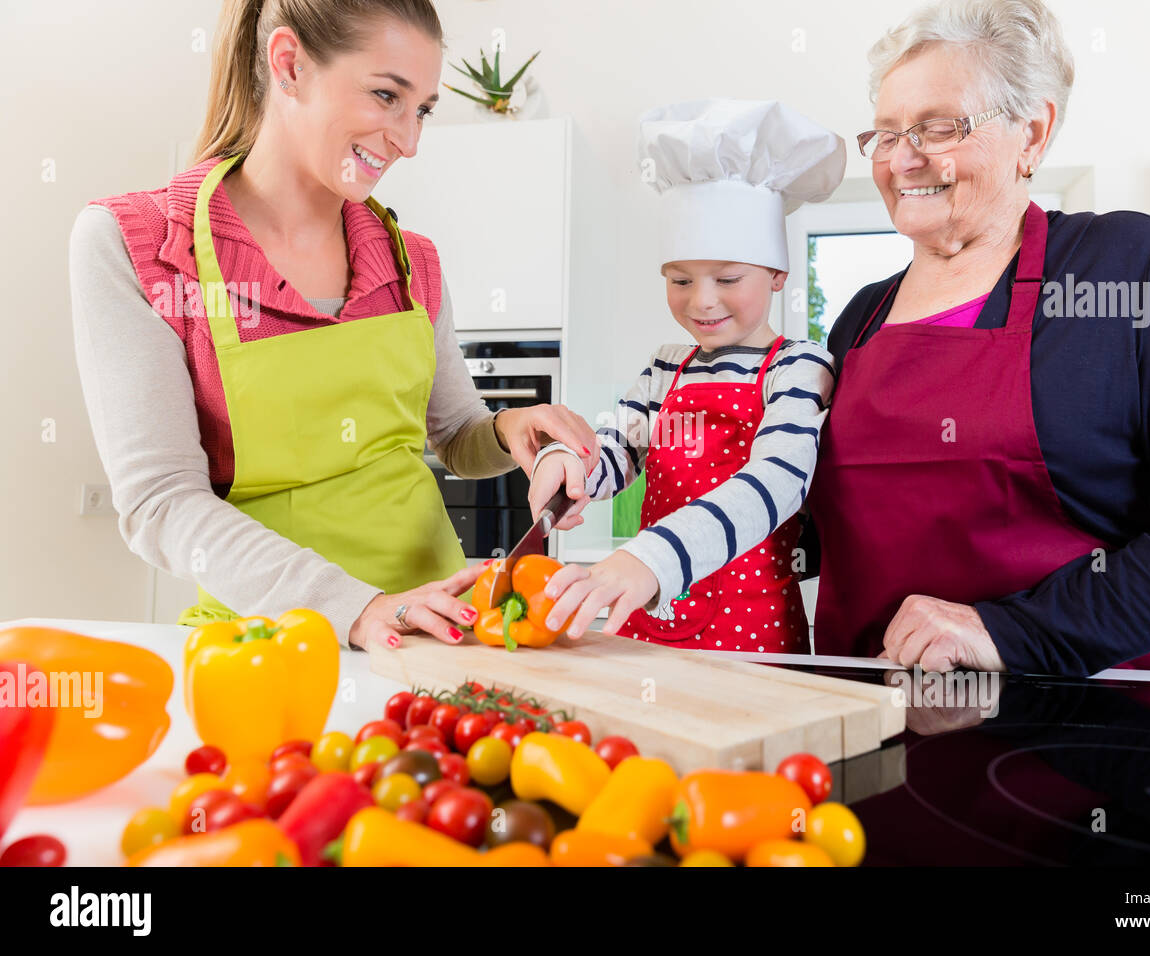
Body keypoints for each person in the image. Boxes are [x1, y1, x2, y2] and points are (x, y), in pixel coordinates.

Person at [68, 0, 596, 652]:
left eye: (423, 108)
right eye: (386, 96)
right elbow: (161, 501)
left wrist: (517, 430)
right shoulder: (139, 245)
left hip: (439, 627)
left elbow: (458, 435)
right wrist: (358, 607)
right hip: (267, 649)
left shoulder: (409, 259)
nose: (410, 140)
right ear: (288, 64)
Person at [806, 0, 1150, 675]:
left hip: (1088, 727)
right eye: (886, 134)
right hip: (880, 726)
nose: (903, 159)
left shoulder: (1124, 265)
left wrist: (1013, 633)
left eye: (938, 127)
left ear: (1032, 135)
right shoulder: (860, 317)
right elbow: (821, 528)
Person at [526, 99, 843, 650]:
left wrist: (651, 557)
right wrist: (568, 466)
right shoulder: (667, 364)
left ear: (776, 275)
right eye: (679, 280)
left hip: (753, 632)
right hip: (654, 611)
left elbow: (775, 482)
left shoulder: (797, 366)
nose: (702, 302)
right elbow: (619, 449)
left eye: (727, 278)